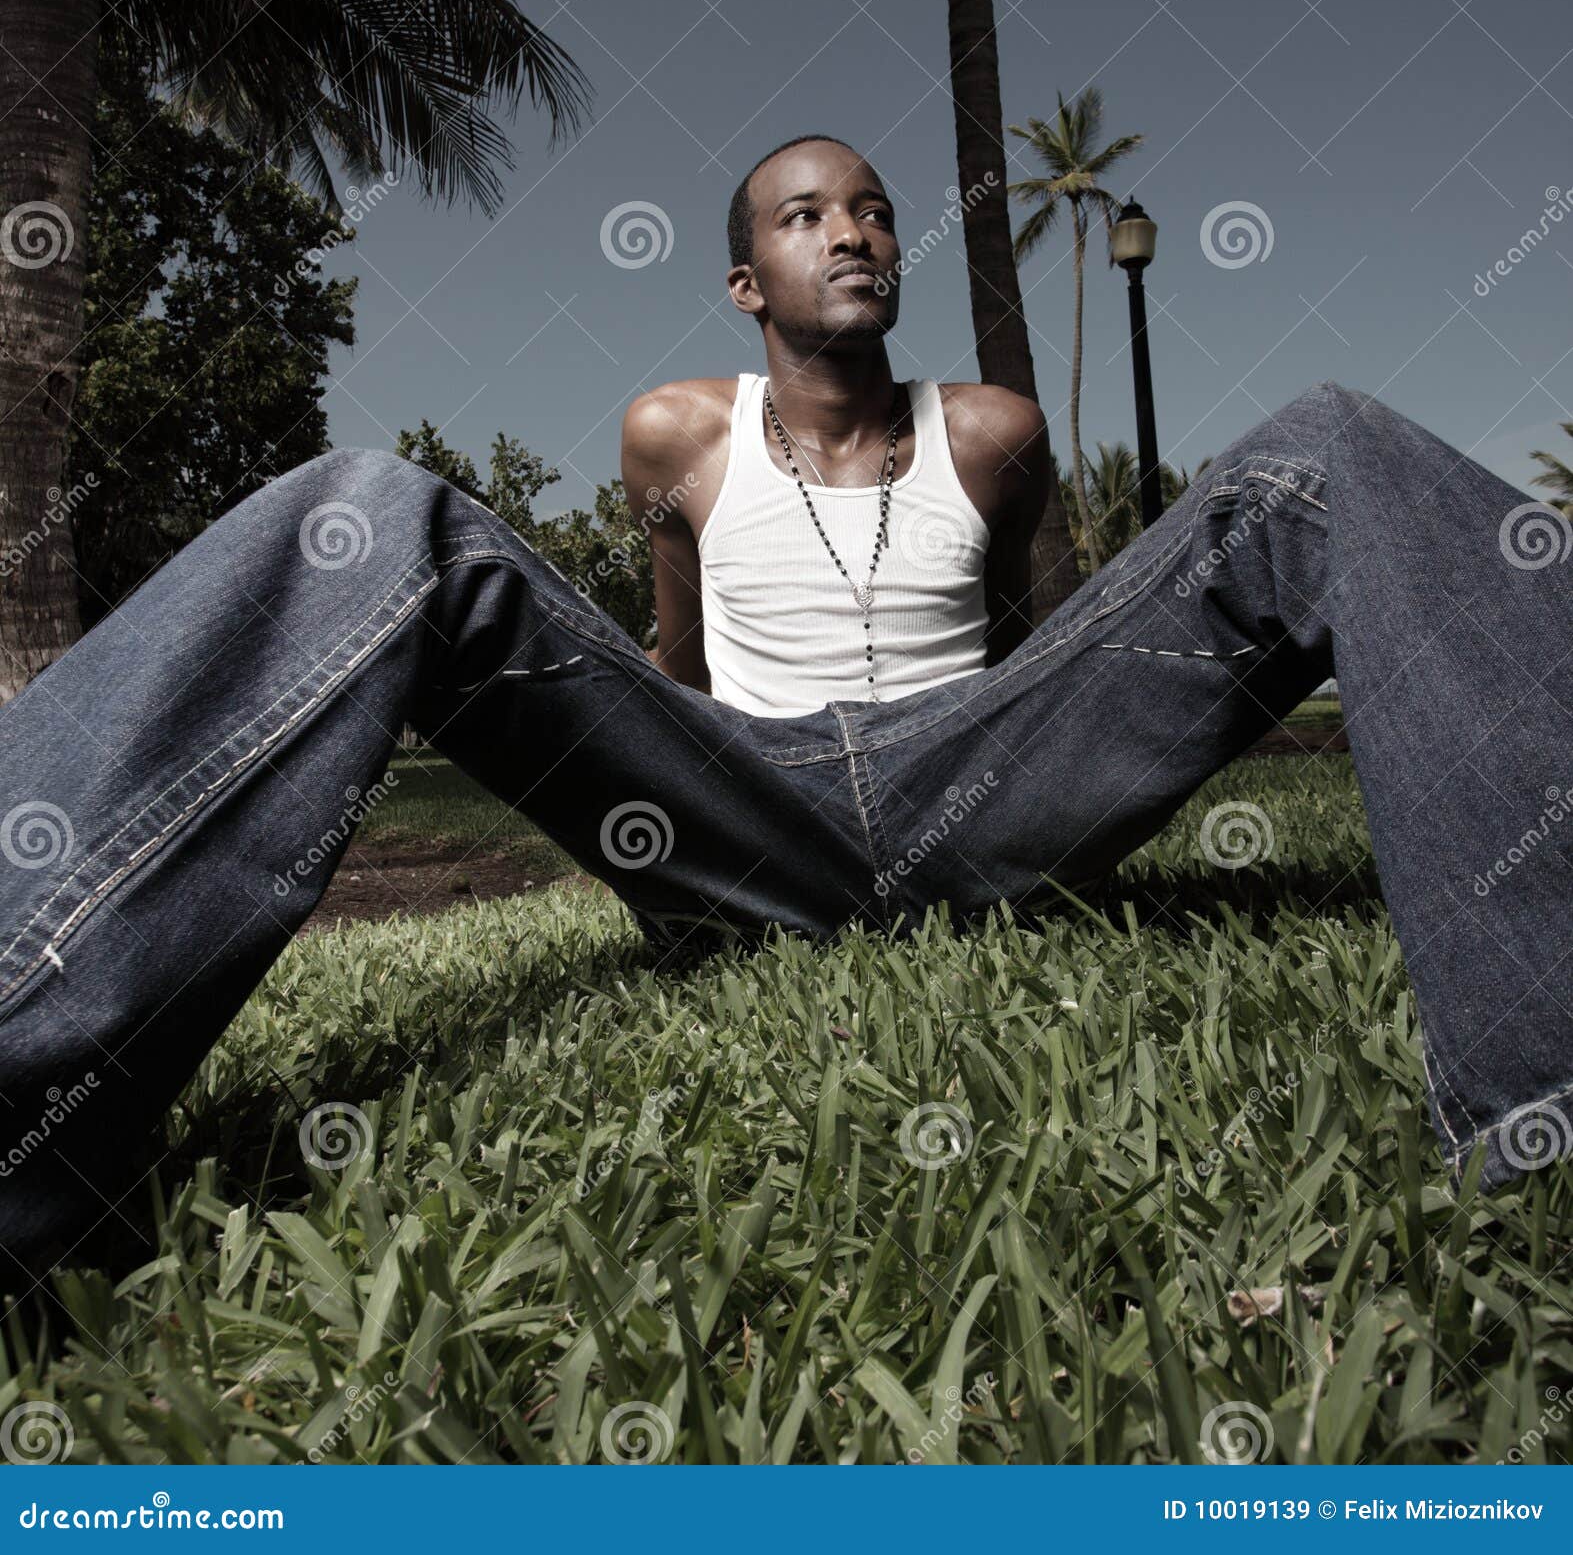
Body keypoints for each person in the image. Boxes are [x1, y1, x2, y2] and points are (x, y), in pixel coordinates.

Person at [1, 134, 1569, 1275]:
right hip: (742, 796)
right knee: (366, 504)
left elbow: (1044, 638)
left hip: (983, 777)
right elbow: (668, 654)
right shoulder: (676, 428)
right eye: (810, 214)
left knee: (1327, 448)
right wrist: (638, 770)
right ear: (750, 277)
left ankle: (1545, 1110)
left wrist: (1043, 737)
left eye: (876, 211)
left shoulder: (999, 427)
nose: (855, 232)